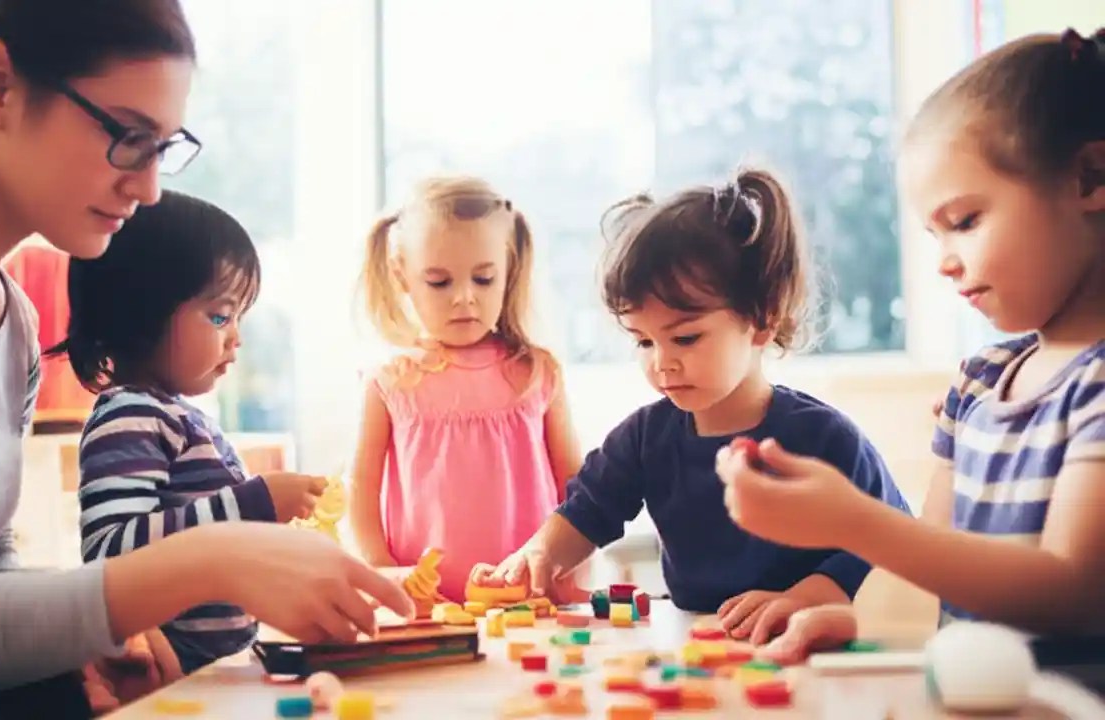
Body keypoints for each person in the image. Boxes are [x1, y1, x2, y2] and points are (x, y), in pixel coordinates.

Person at [0, 1, 411, 716]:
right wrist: (215, 556)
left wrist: (80, 641)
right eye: (129, 137)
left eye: (163, 148)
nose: (150, 187)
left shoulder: (13, 318)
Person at [716, 28, 1105, 658]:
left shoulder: (1095, 388)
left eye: (966, 222)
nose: (945, 263)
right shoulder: (978, 383)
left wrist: (853, 520)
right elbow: (937, 575)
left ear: (1089, 177)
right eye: (934, 235)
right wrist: (860, 625)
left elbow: (1074, 590)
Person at [472, 168, 910, 644]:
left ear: (762, 320)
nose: (663, 363)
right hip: (698, 646)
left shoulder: (825, 437)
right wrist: (540, 553)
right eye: (642, 341)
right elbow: (589, 508)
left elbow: (892, 536)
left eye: (685, 337)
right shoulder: (644, 437)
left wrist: (809, 595)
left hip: (806, 648)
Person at [49, 190, 332, 674]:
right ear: (144, 311)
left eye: (239, 317)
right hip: (166, 674)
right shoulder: (129, 414)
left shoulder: (176, 415)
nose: (235, 336)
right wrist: (253, 505)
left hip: (213, 668)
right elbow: (110, 554)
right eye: (220, 316)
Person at [350, 176, 583, 601]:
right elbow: (362, 493)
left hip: (531, 599)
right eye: (439, 282)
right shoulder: (389, 380)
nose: (464, 298)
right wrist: (385, 573)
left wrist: (572, 569)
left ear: (508, 270)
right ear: (402, 275)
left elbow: (577, 486)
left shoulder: (537, 372)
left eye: (483, 279)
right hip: (427, 608)